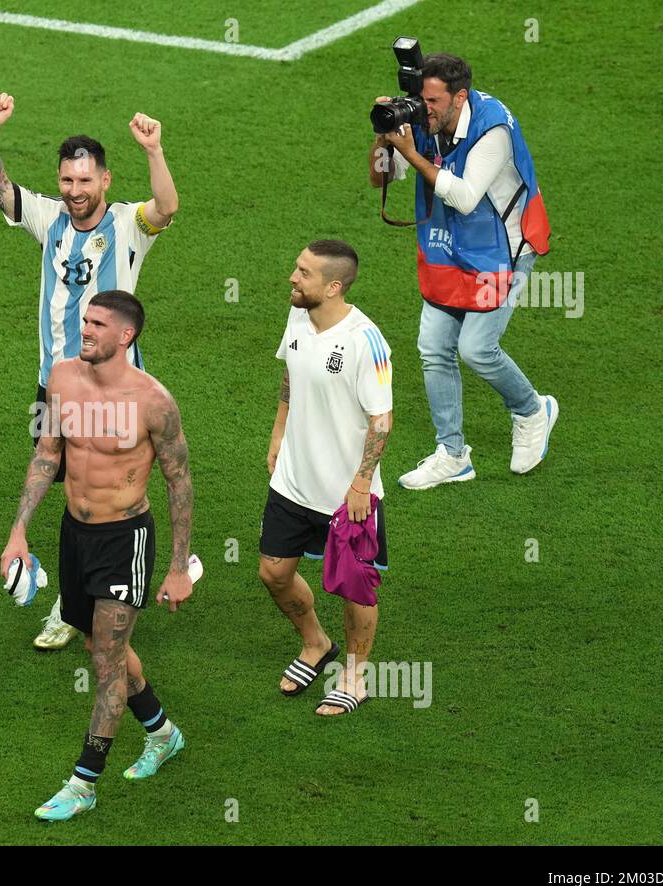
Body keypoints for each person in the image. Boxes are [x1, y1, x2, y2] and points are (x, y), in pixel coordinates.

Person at [0, 91, 179, 650]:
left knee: (120, 485)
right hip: (55, 384)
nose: (74, 192)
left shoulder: (128, 224)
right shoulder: (49, 218)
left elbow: (166, 207)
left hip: (117, 388)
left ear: (106, 180)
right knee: (66, 481)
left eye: (84, 182)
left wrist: (155, 150)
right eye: (67, 181)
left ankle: (149, 568)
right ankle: (76, 599)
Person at [0, 291, 193, 821]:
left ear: (125, 336)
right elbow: (47, 455)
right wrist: (19, 531)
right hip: (73, 535)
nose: (84, 328)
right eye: (84, 319)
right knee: (98, 646)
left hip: (125, 539)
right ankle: (162, 732)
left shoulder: (154, 402)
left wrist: (178, 567)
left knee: (107, 663)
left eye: (97, 323)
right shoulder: (59, 378)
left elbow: (179, 481)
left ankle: (83, 782)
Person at [369, 52, 557, 490]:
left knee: (476, 349)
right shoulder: (421, 119)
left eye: (433, 101)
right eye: (420, 99)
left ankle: (533, 410)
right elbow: (381, 179)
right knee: (433, 347)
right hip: (451, 247)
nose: (424, 109)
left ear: (460, 97)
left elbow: (467, 196)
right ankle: (452, 455)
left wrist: (413, 154)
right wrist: (383, 139)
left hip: (505, 250)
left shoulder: (492, 127)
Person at [259, 241, 392, 716]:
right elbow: (292, 376)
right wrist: (278, 432)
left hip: (346, 495)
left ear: (333, 286)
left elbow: (382, 420)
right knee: (273, 573)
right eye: (296, 267)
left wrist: (361, 484)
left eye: (304, 272)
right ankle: (316, 643)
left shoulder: (365, 341)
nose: (293, 278)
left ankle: (355, 678)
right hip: (293, 481)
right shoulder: (298, 316)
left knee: (356, 588)